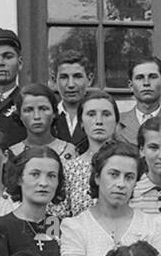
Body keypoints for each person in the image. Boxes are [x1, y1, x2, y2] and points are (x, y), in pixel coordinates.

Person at [62, 89, 121, 218]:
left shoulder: (131, 164)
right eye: (91, 114)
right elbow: (55, 216)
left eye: (106, 114)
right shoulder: (69, 169)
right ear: (81, 122)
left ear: (116, 121)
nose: (99, 121)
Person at [116, 55, 161, 143]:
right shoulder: (117, 123)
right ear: (131, 85)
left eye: (153, 77)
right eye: (139, 78)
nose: (146, 83)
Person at [7, 83, 78, 163]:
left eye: (43, 109)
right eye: (29, 110)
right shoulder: (13, 153)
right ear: (20, 115)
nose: (37, 116)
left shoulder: (69, 151)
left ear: (54, 113)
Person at [51, 51, 93, 153]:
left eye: (77, 76)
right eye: (64, 77)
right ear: (54, 80)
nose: (70, 84)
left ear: (90, 79)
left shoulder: (99, 116)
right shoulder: (48, 116)